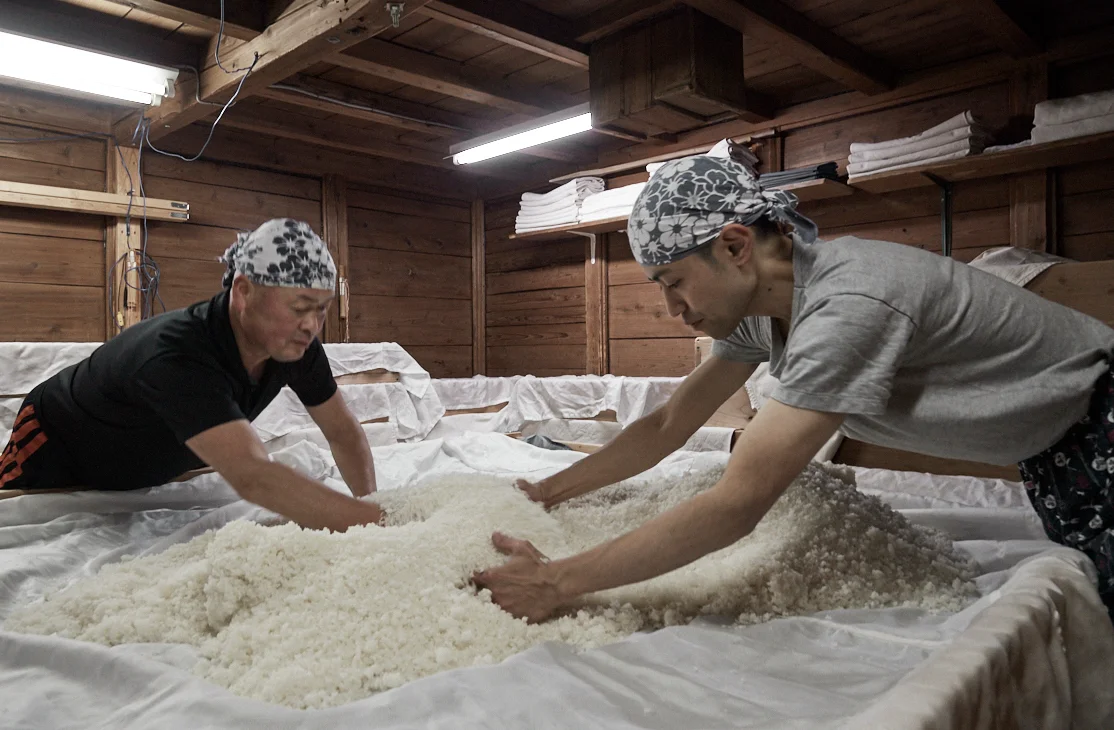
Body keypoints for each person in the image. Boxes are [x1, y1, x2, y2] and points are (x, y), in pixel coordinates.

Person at [473, 154, 1114, 623]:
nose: (673, 309)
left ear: (733, 246)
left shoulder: (848, 304)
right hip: (1054, 447)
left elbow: (738, 501)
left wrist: (560, 582)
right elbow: (670, 425)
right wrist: (547, 491)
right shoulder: (766, 311)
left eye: (673, 282)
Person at [0, 219, 383, 532]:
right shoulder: (176, 352)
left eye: (322, 310)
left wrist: (369, 504)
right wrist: (374, 525)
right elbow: (253, 475)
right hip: (55, 440)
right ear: (244, 291)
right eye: (300, 307)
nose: (312, 325)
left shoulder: (297, 346)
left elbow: (343, 431)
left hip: (143, 461)